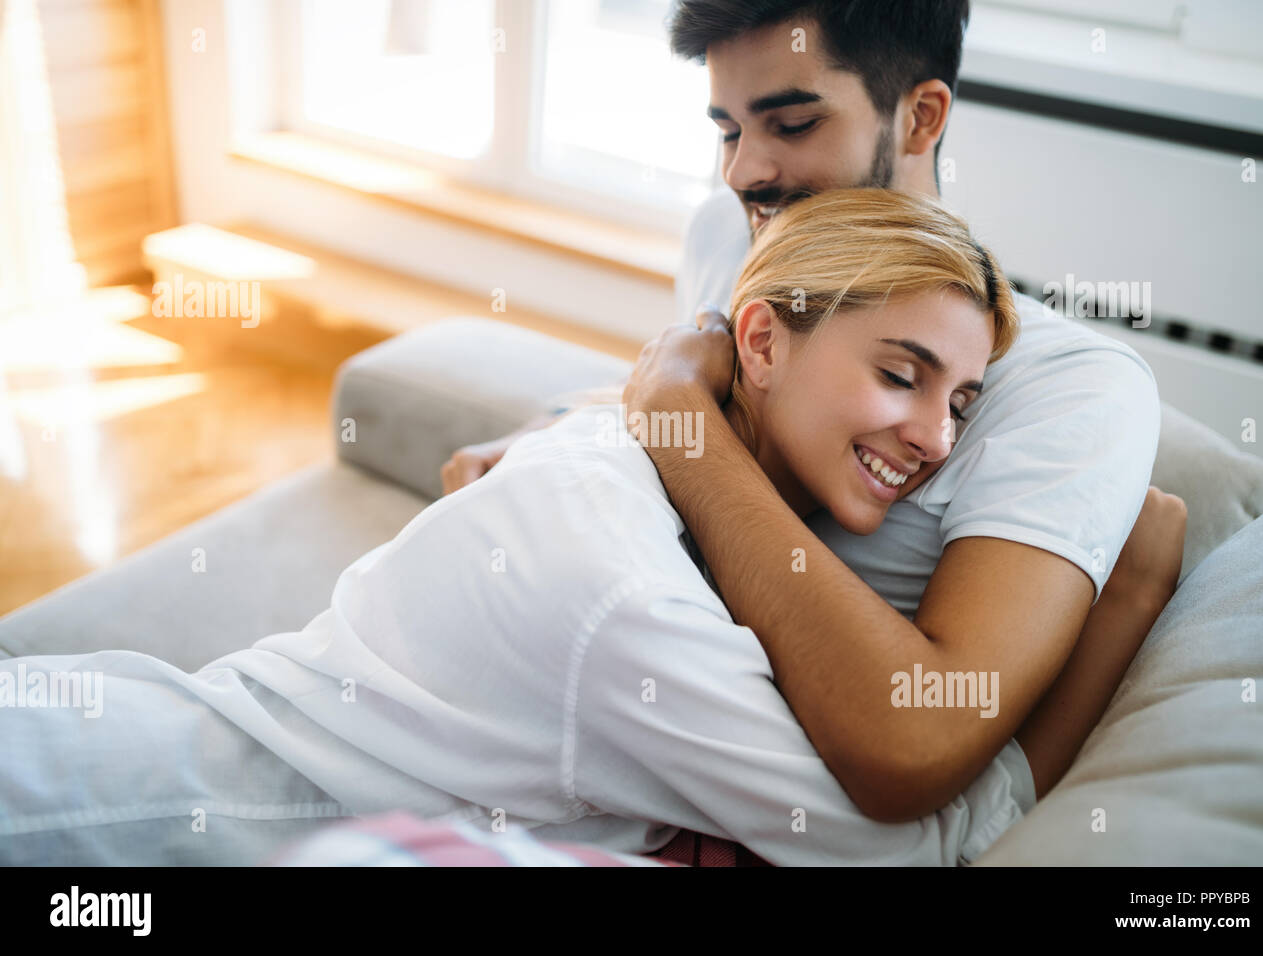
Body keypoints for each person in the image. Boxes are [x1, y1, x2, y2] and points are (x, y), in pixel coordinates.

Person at [0, 190, 1164, 868]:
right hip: (102, 819)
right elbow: (913, 848)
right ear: (759, 342)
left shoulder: (638, 458)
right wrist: (1136, 572)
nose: (938, 438)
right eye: (901, 374)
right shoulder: (619, 589)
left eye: (960, 401)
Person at [440, 0, 1186, 821]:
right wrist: (551, 425)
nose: (742, 171)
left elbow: (912, 749)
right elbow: (721, 403)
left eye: (791, 123)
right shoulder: (730, 240)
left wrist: (676, 423)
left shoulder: (1072, 387)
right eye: (728, 130)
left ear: (920, 117)